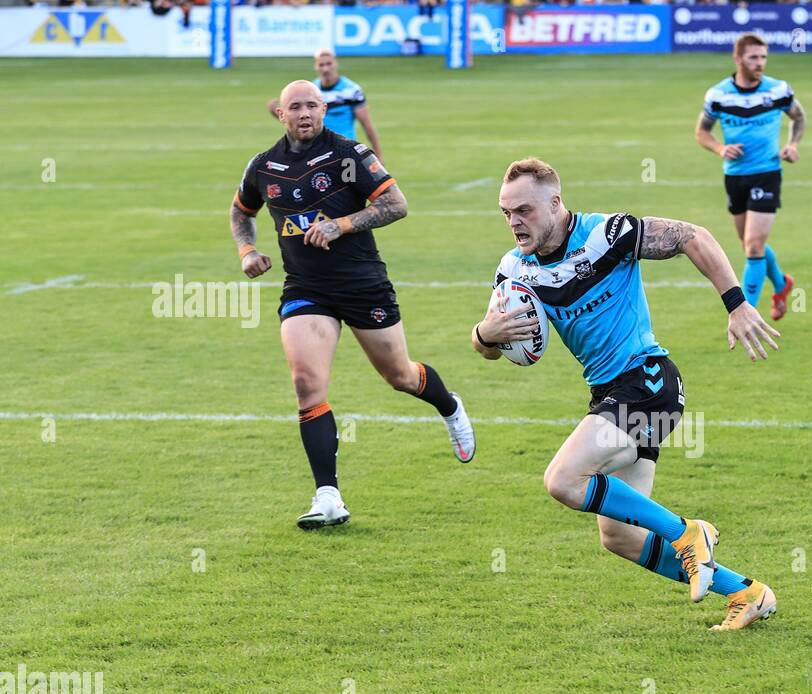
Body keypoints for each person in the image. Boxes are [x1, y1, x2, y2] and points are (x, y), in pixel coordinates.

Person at [472, 158, 780, 630]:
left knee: (563, 481)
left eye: (525, 210)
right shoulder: (514, 270)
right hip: (611, 396)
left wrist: (736, 303)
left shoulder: (606, 234)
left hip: (649, 382)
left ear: (555, 203)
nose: (514, 221)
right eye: (505, 212)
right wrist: (485, 333)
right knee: (619, 537)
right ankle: (747, 592)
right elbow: (493, 350)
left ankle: (688, 533)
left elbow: (691, 236)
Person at [232, 80, 475, 530]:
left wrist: (341, 225)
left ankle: (449, 406)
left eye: (312, 106)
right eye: (294, 107)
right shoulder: (263, 166)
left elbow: (396, 205)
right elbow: (241, 211)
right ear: (280, 114)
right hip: (305, 289)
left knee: (400, 376)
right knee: (307, 384)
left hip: (362, 284)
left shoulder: (350, 155)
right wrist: (247, 251)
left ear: (323, 110)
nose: (304, 113)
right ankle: (328, 496)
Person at [694, 32, 805, 320]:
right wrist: (720, 148)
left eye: (763, 57)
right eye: (754, 57)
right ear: (738, 58)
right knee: (748, 244)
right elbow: (702, 132)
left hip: (767, 172)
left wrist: (792, 145)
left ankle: (747, 313)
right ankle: (782, 284)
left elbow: (799, 117)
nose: (760, 63)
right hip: (735, 176)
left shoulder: (778, 90)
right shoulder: (718, 94)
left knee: (754, 245)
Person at [265, 49, 383, 162]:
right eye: (321, 65)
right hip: (317, 152)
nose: (325, 69)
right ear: (316, 66)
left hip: (344, 151)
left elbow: (367, 125)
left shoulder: (352, 90)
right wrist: (280, 114)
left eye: (328, 63)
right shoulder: (311, 92)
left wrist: (378, 154)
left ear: (335, 64)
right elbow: (301, 121)